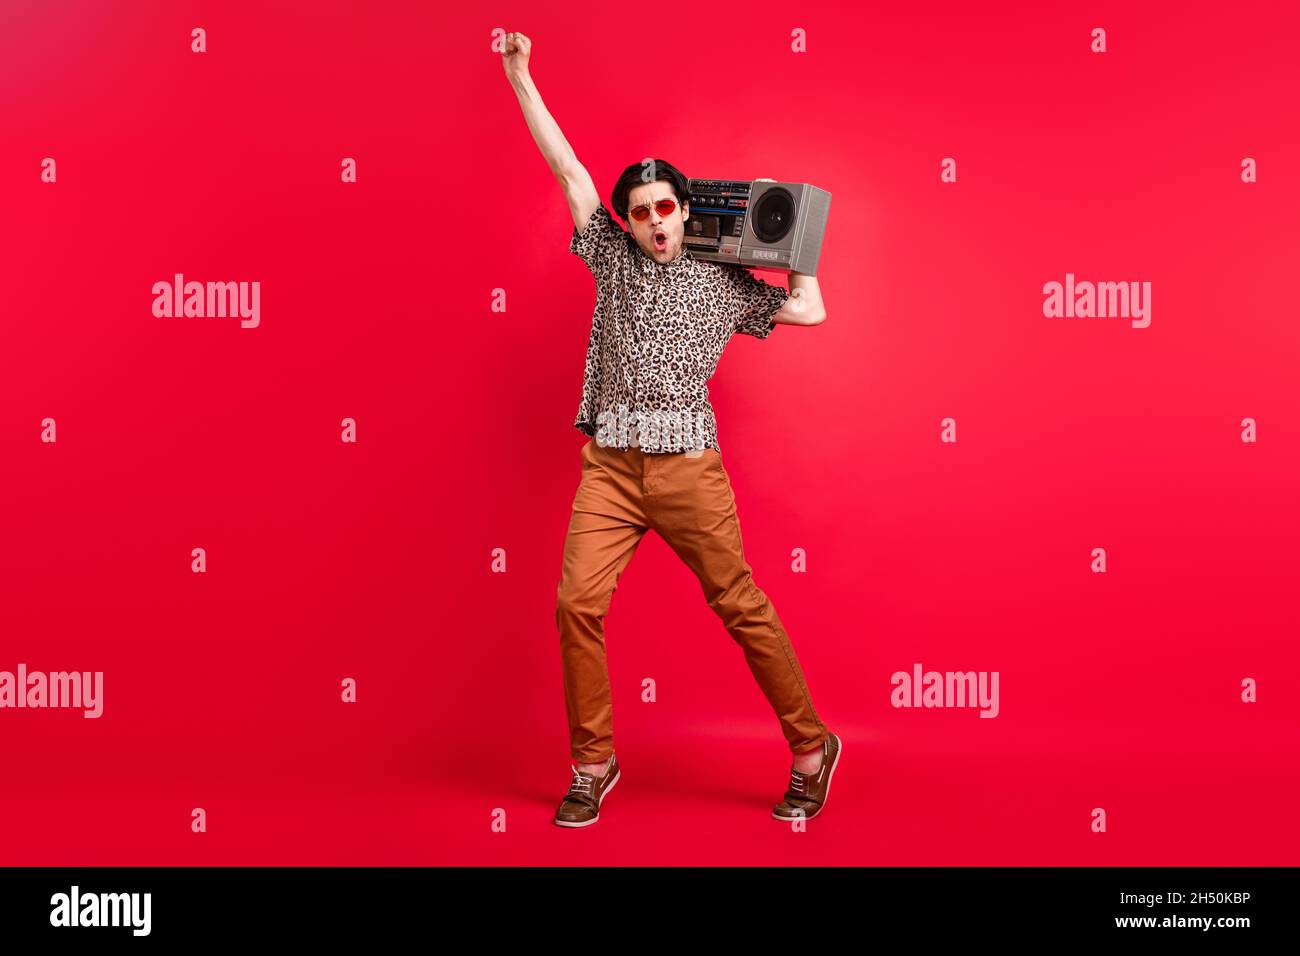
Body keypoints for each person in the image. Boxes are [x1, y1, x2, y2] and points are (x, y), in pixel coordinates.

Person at [500, 31, 841, 827]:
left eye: (665, 208)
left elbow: (812, 307)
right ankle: (593, 762)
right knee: (575, 605)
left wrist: (793, 242)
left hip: (689, 470)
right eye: (642, 211)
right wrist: (521, 77)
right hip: (612, 469)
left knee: (741, 604)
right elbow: (570, 171)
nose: (654, 221)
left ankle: (812, 747)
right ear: (629, 218)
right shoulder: (611, 255)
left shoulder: (726, 280)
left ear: (686, 212)